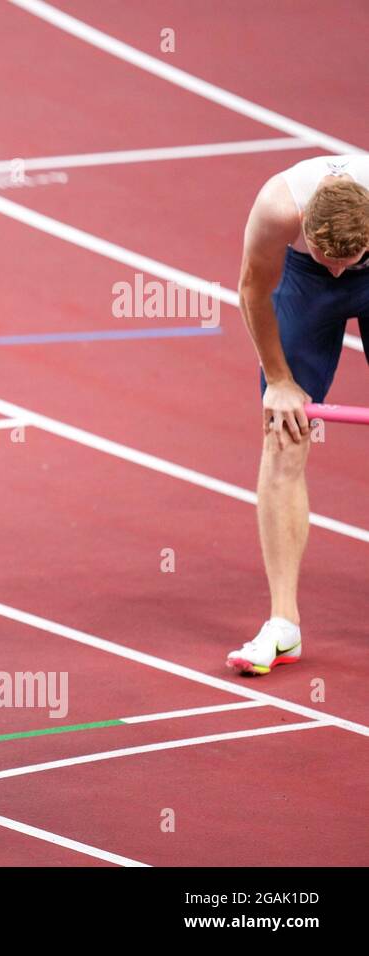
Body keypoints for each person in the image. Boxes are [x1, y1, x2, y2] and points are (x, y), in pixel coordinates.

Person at [229, 157, 369, 676]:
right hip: (302, 287)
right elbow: (253, 290)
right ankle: (283, 625)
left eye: (345, 259)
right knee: (282, 434)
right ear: (305, 223)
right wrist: (280, 381)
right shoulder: (278, 207)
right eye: (326, 255)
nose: (338, 268)